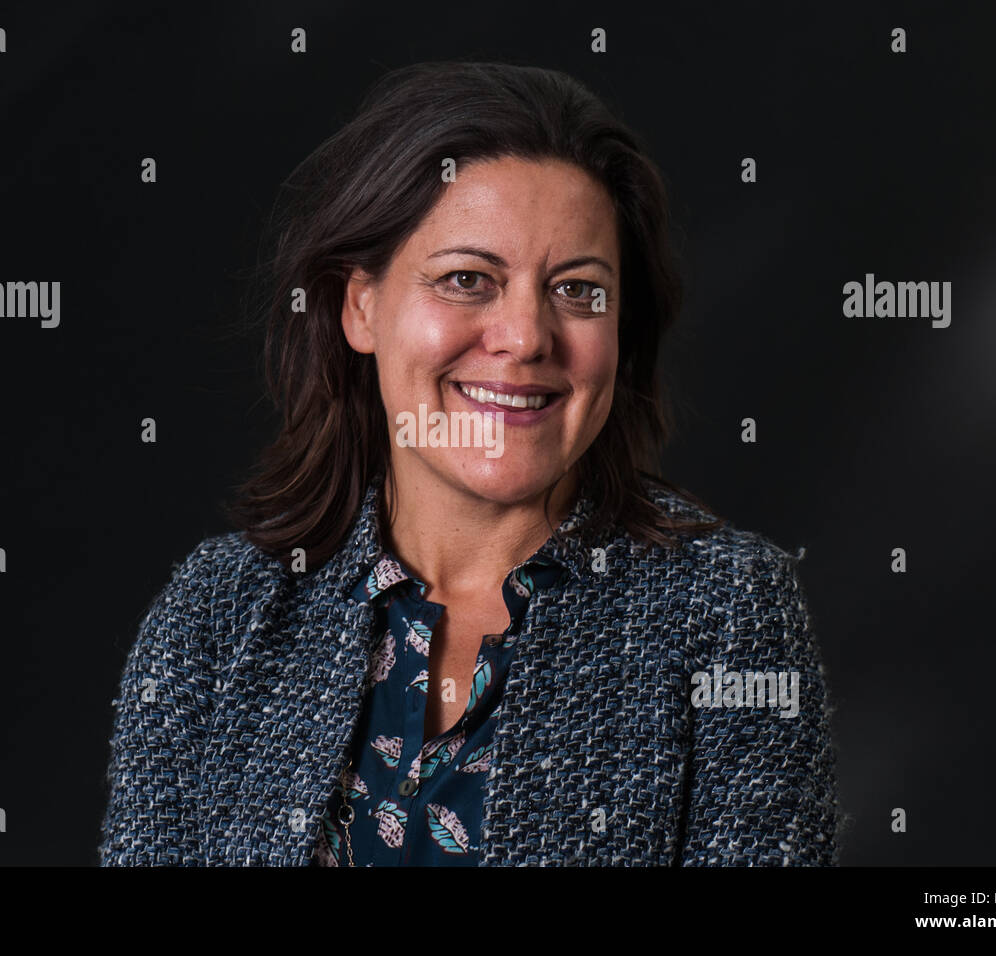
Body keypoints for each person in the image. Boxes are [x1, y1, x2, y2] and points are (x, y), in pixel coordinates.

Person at [98, 59, 840, 866]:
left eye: (578, 290)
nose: (525, 336)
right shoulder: (217, 616)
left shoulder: (728, 616)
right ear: (361, 306)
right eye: (466, 279)